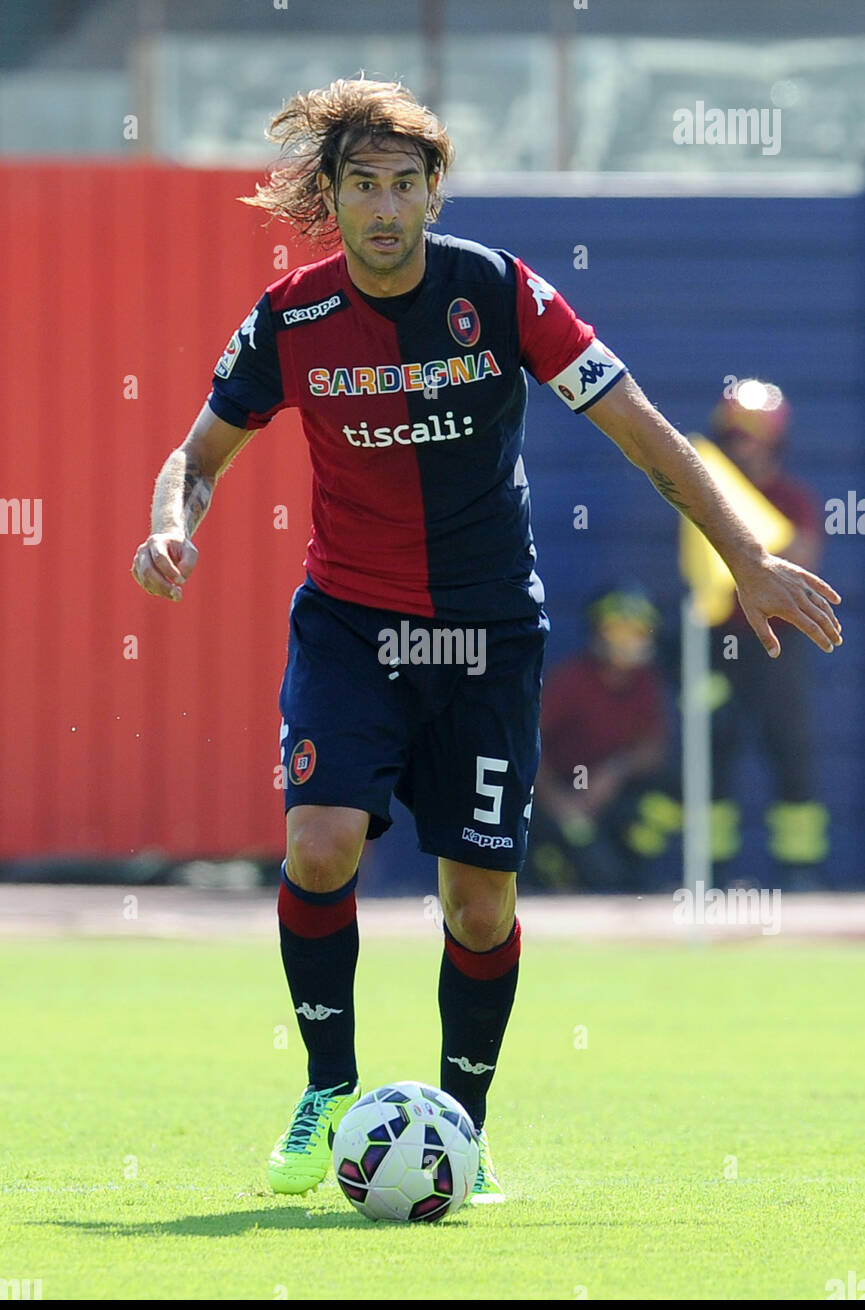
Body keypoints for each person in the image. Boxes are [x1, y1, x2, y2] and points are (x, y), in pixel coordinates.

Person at [131, 78, 842, 1205]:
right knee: (318, 845)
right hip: (352, 626)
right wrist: (171, 524)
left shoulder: (501, 294)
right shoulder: (293, 319)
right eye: (361, 185)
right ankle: (325, 1093)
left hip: (485, 634)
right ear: (331, 197)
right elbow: (197, 454)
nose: (382, 207)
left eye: (403, 185)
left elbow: (644, 432)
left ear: (430, 195)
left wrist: (744, 555)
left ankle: (463, 1123)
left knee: (479, 907)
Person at [708, 380, 829, 886]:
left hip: (781, 644)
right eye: (732, 439)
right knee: (715, 750)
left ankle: (799, 872)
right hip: (721, 644)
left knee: (791, 750)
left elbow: (802, 559)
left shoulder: (793, 499)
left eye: (749, 438)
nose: (740, 448)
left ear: (773, 441)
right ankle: (712, 873)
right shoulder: (710, 495)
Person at [528, 588, 681, 891]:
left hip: (610, 800)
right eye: (617, 631)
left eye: (634, 632)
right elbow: (529, 743)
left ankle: (633, 863)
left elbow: (653, 748)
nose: (626, 642)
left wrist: (613, 772)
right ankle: (552, 874)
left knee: (673, 788)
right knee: (591, 869)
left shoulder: (646, 684)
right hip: (556, 799)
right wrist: (559, 801)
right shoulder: (571, 681)